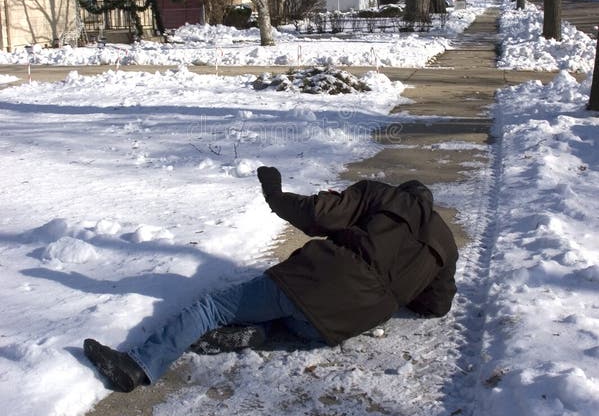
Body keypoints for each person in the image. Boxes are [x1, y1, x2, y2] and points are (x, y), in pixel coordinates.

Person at [83, 167, 458, 392]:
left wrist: (275, 195)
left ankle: (137, 367)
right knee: (298, 313)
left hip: (317, 281)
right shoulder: (445, 242)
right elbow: (437, 305)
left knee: (213, 306)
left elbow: (319, 213)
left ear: (405, 193)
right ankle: (261, 332)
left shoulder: (383, 195)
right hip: (345, 324)